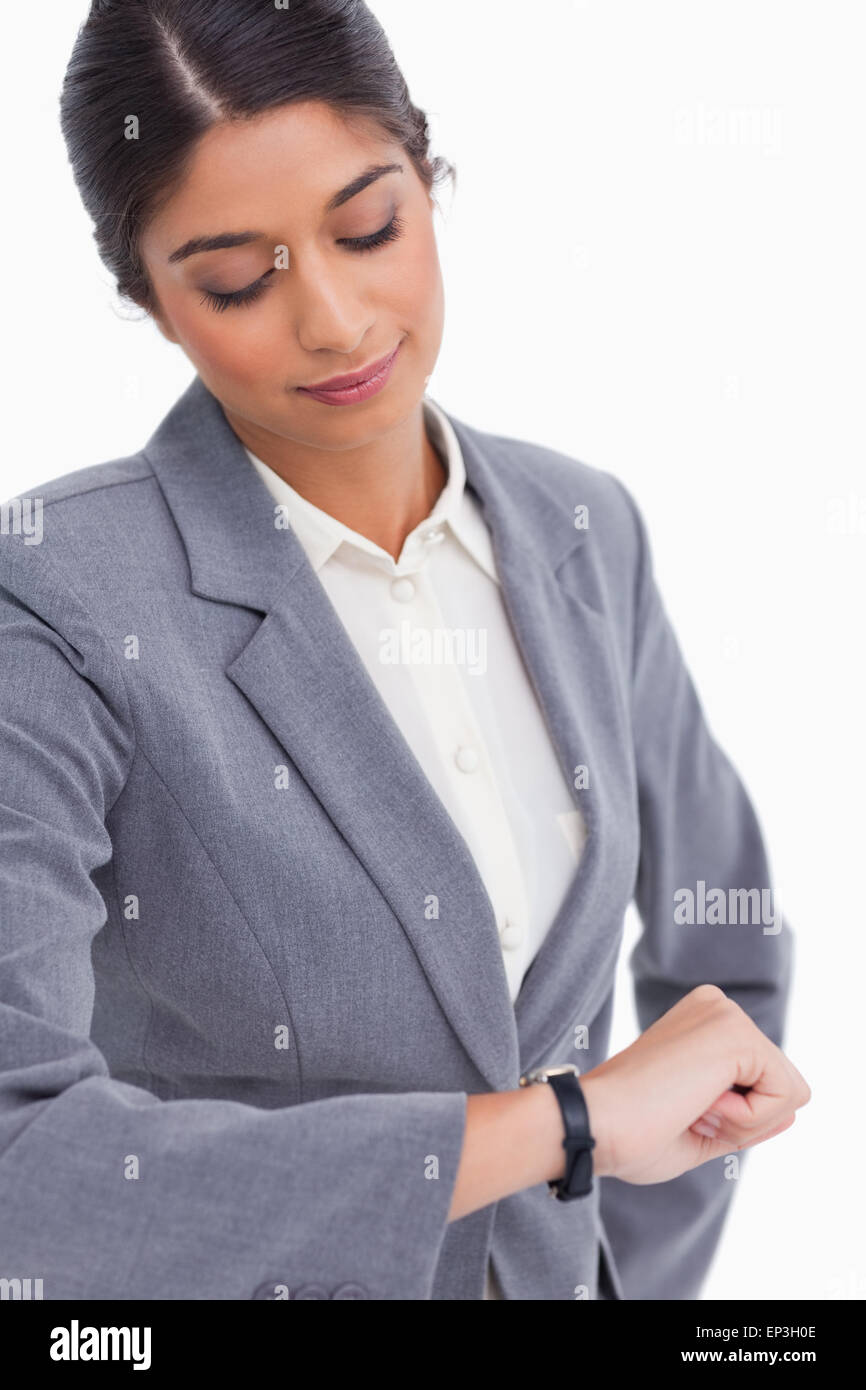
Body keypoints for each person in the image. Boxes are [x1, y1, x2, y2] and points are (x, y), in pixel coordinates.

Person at [0, 0, 807, 1301]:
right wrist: (568, 1126)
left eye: (368, 224)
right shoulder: (56, 593)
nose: (330, 316)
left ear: (426, 175)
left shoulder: (581, 530)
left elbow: (723, 950)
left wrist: (619, 1276)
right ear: (147, 297)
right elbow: (22, 1168)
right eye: (233, 277)